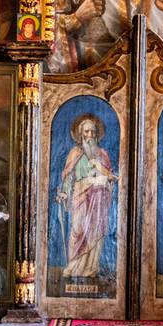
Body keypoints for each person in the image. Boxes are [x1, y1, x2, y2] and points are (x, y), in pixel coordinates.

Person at [55, 114, 117, 282]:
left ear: (97, 134)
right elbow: (69, 177)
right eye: (86, 132)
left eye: (92, 132)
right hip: (79, 195)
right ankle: (74, 265)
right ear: (80, 134)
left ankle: (91, 268)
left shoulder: (102, 154)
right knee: (77, 229)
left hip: (98, 199)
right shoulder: (75, 153)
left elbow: (110, 178)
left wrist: (103, 179)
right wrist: (64, 193)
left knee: (95, 231)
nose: (89, 135)